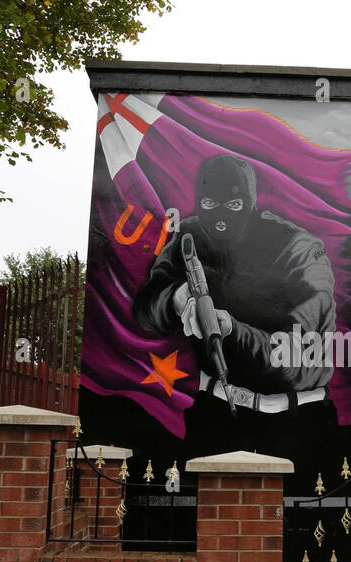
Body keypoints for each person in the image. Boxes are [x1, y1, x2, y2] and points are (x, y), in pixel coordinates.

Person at [133, 154, 336, 413]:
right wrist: (176, 298)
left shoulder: (299, 250)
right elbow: (146, 306)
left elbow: (295, 359)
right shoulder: (189, 236)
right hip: (216, 407)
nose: (220, 218)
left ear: (249, 202)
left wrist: (231, 330)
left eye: (233, 205)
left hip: (295, 413)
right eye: (209, 203)